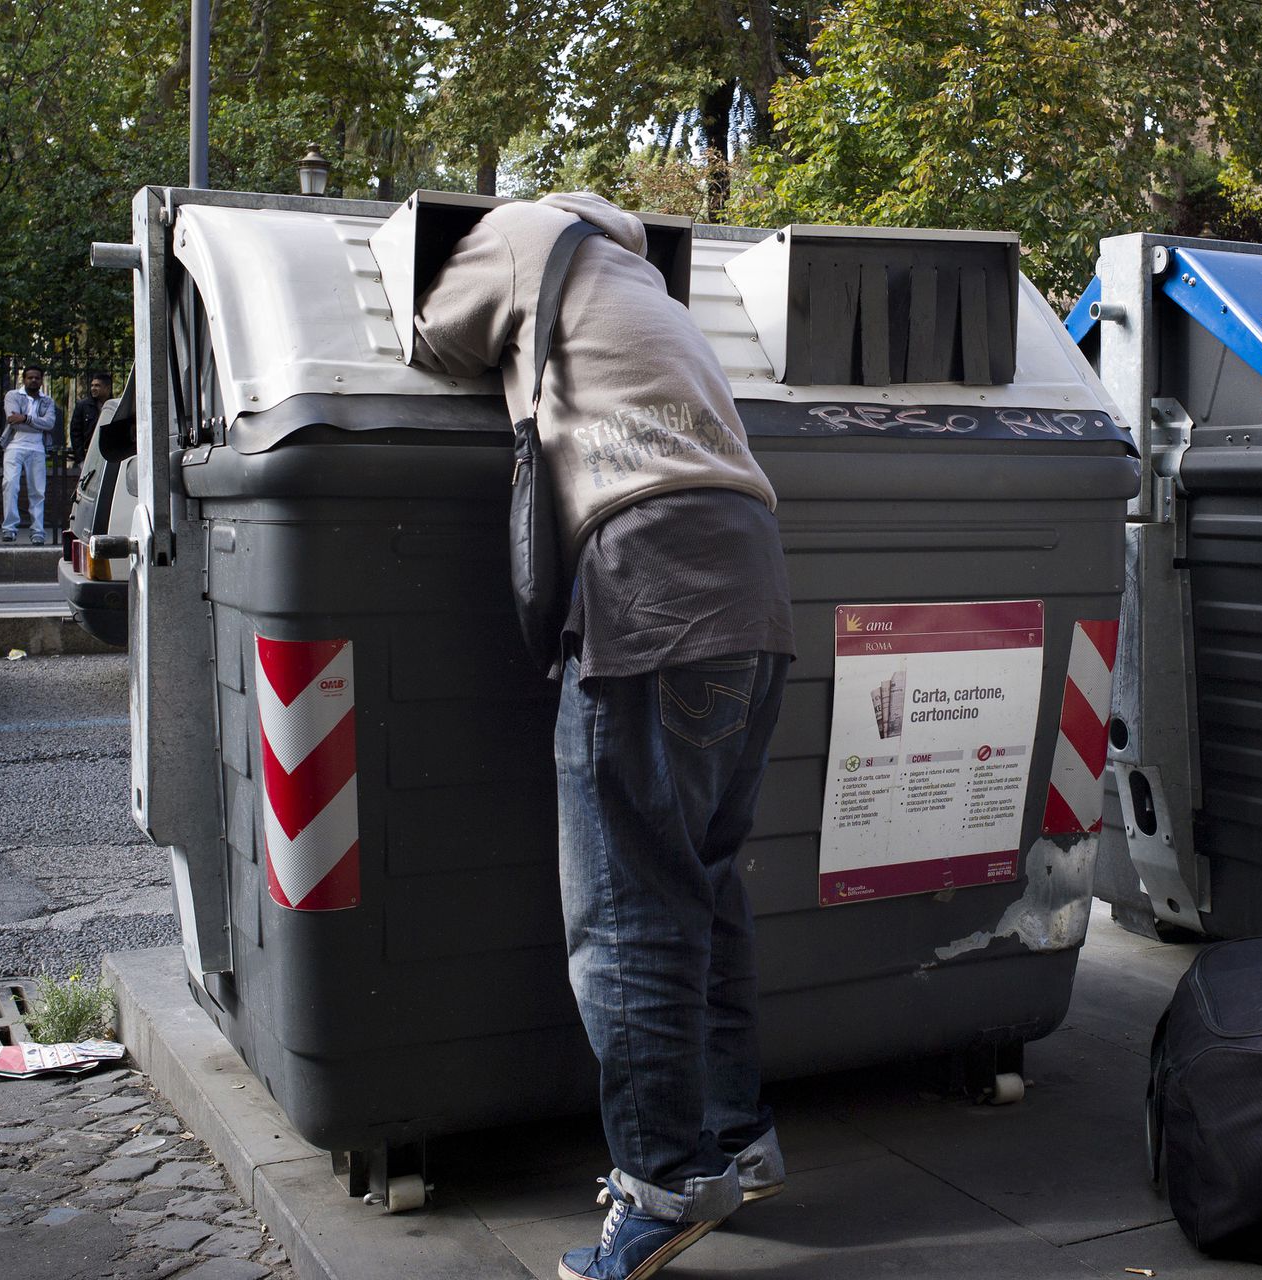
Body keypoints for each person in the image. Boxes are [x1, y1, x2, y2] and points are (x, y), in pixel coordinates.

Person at [408, 193, 795, 1280]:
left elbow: (434, 331)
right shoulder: (651, 283)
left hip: (653, 588)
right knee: (704, 883)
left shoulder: (519, 236)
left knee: (627, 916)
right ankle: (736, 1140)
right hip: (753, 590)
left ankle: (663, 1183)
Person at [0, 364, 58, 544]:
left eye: (37, 378)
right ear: (24, 379)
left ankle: (38, 531)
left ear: (41, 381)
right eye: (30, 377)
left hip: (37, 448)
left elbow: (49, 424)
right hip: (15, 445)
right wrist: (33, 422)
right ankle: (9, 529)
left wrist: (25, 417)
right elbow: (13, 421)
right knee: (10, 485)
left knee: (38, 491)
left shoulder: (47, 401)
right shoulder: (13, 395)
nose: (33, 380)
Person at [65, 371, 113, 462]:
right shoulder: (82, 406)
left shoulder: (115, 406)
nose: (93, 388)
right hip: (89, 455)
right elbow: (76, 434)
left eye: (97, 385)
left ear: (107, 388)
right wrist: (80, 459)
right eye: (92, 385)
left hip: (109, 454)